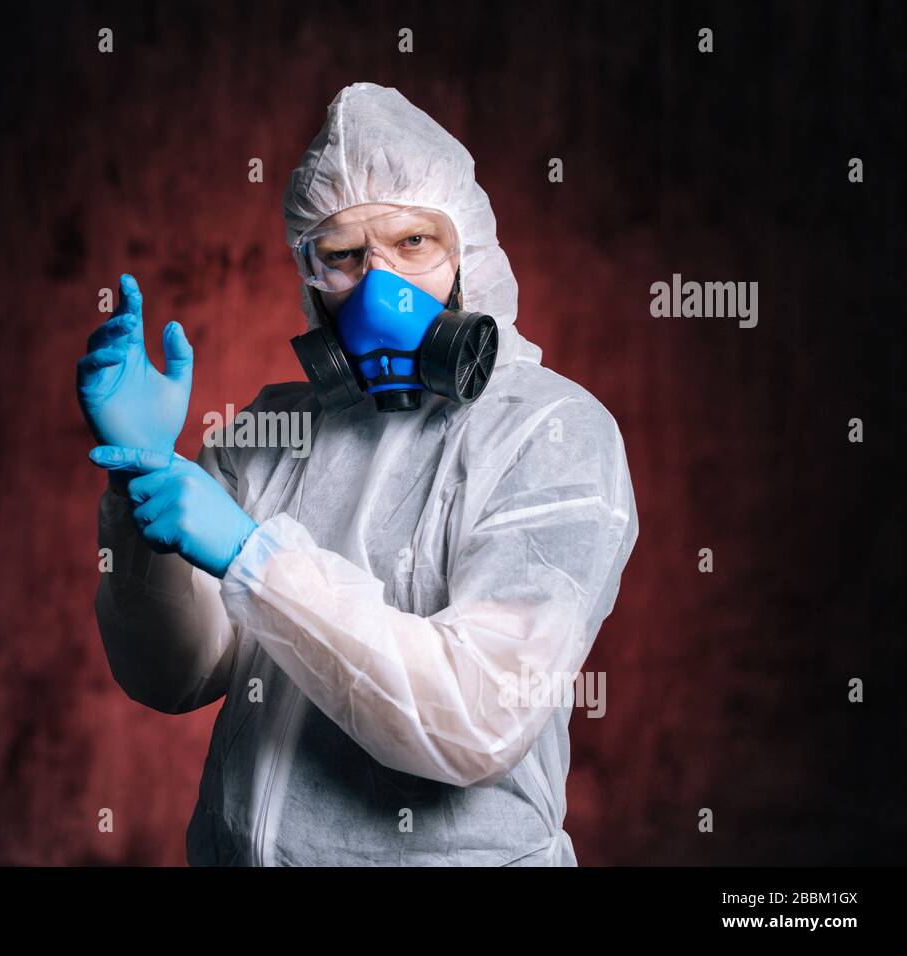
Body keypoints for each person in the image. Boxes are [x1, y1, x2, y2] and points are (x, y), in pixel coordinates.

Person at [77, 82, 638, 866]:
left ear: (467, 251)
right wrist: (141, 478)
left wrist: (254, 559)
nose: (381, 290)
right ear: (311, 279)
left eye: (413, 243)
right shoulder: (274, 432)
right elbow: (175, 677)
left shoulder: (549, 433)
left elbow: (479, 717)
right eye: (342, 256)